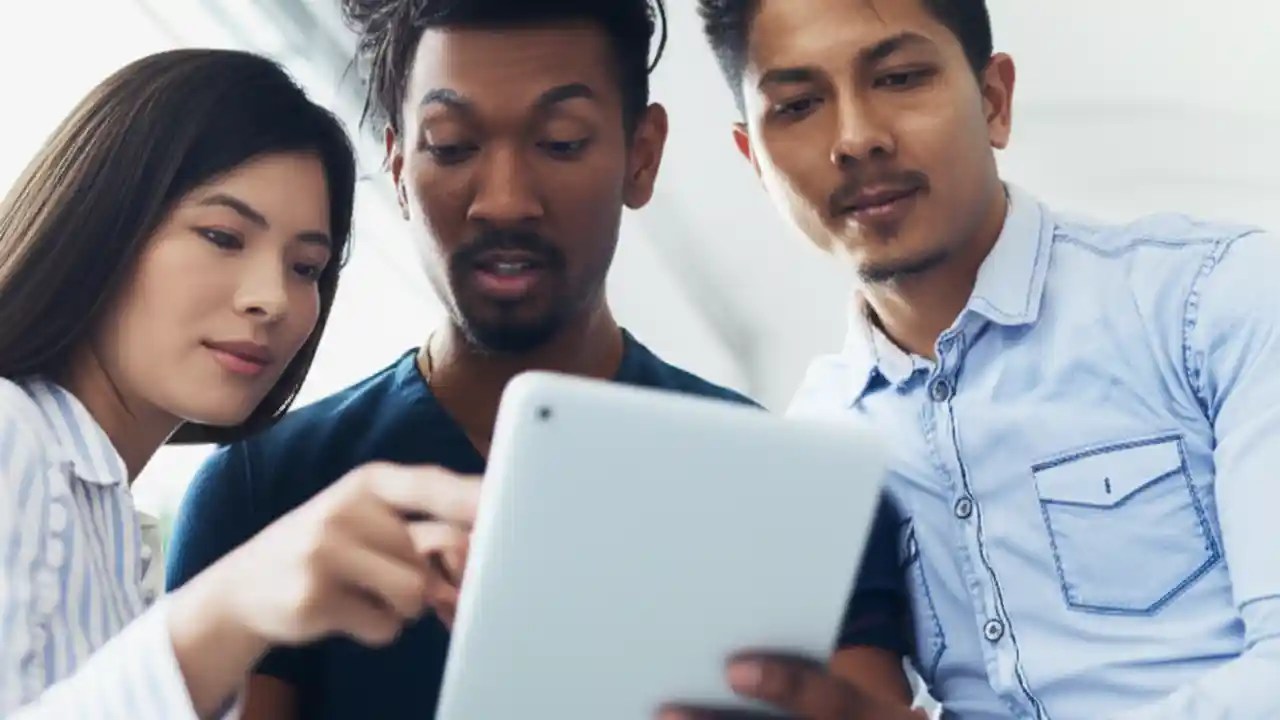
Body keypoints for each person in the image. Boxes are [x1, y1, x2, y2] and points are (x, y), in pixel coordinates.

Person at [165, 1, 911, 718]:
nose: (505, 202)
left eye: (559, 142)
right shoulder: (266, 493)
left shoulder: (788, 496)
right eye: (452, 147)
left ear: (641, 157)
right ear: (396, 166)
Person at [664, 0, 1280, 718]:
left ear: (994, 101)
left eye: (898, 78)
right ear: (755, 163)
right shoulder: (811, 453)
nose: (856, 139)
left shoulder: (1210, 302)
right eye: (798, 105)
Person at [0, 48, 479, 718]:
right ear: (105, 216)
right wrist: (235, 603)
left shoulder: (113, 531)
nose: (272, 300)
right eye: (223, 236)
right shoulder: (11, 437)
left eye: (307, 267)